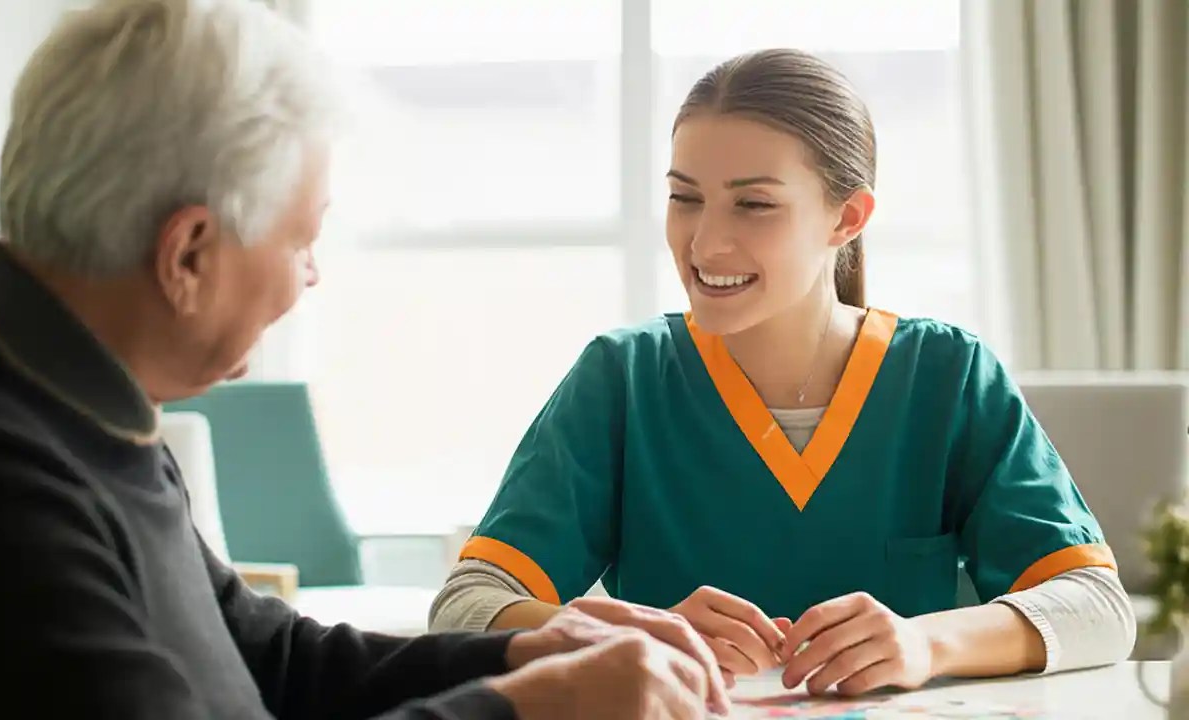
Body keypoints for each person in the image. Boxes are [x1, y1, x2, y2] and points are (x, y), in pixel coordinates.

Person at [0, 1, 735, 718]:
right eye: (302, 240)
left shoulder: (72, 402)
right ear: (188, 254)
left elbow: (272, 660)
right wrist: (528, 709)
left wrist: (528, 654)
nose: (311, 276)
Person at [430, 49, 1138, 696]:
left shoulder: (947, 376)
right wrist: (621, 634)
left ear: (847, 217)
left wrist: (924, 642)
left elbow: (1098, 607)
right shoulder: (622, 379)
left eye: (754, 204)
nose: (705, 242)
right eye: (685, 198)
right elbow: (466, 604)